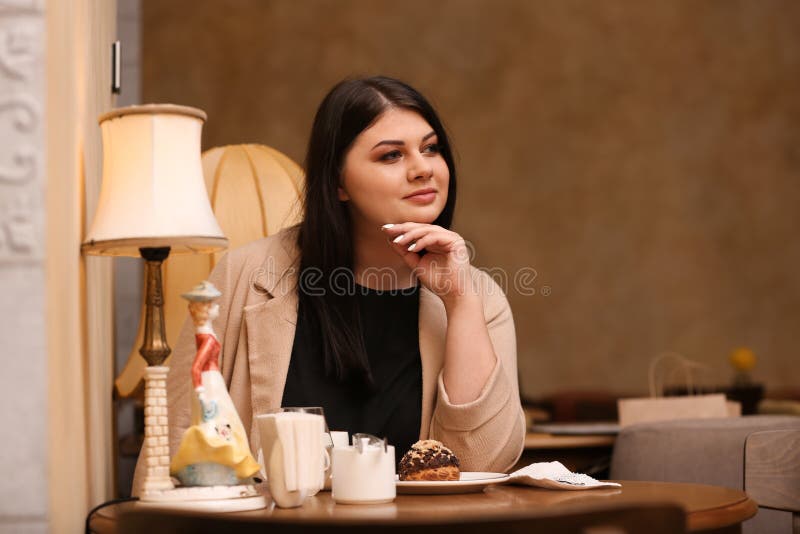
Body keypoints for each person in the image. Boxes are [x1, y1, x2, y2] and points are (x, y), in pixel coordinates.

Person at [146, 76, 524, 492]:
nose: (423, 168)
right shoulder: (243, 276)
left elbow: (479, 463)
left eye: (431, 148)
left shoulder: (479, 298)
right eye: (391, 155)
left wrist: (459, 300)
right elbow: (172, 449)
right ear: (338, 183)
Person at [169, 281, 260, 487]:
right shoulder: (208, 337)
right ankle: (218, 458)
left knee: (211, 421)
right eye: (213, 304)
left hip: (208, 379)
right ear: (207, 310)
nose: (218, 307)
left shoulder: (203, 333)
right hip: (208, 381)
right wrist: (200, 389)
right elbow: (196, 365)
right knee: (220, 419)